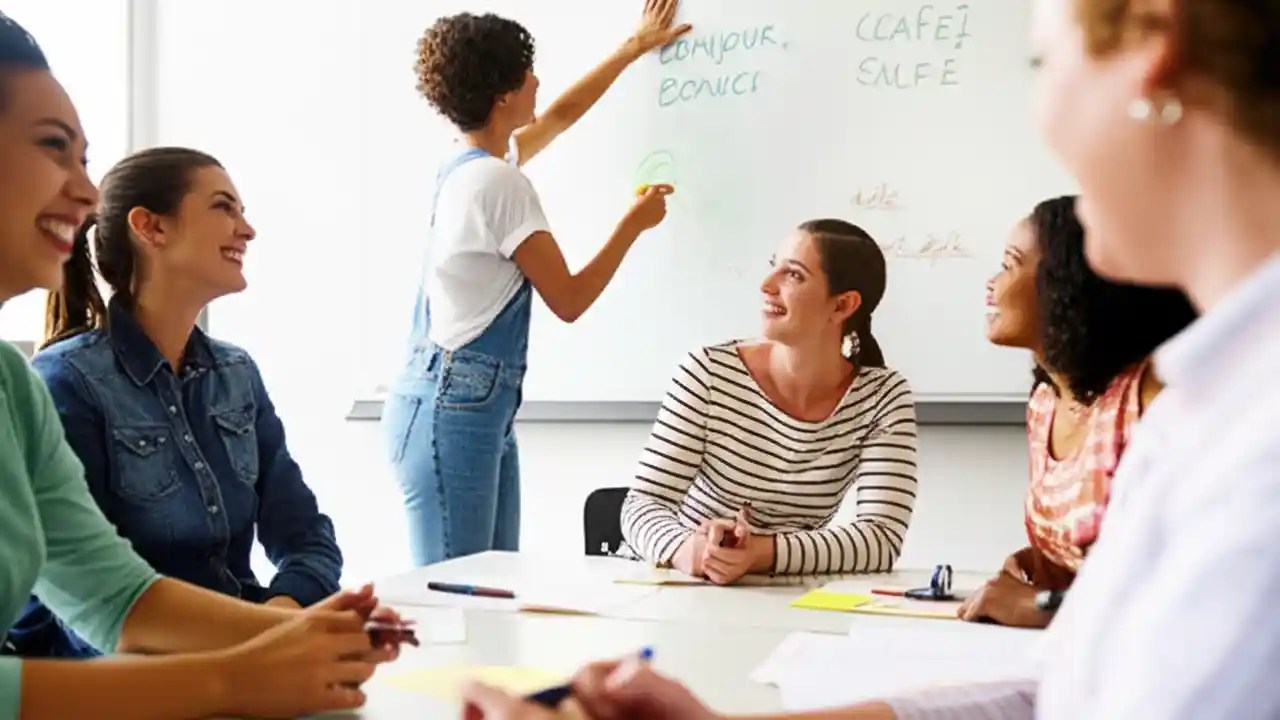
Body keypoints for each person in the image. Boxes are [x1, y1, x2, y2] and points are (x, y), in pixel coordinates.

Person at [460, 0, 1280, 717]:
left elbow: (890, 545)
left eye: (1043, 64)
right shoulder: (1202, 404)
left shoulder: (1235, 433)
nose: (1040, 121)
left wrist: (767, 554)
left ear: (1154, 54)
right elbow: (1065, 690)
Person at [0, 13, 403, 719]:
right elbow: (69, 629)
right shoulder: (61, 380)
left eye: (86, 161)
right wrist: (239, 675)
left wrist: (307, 635)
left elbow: (118, 597)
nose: (87, 194)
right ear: (151, 228)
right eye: (54, 148)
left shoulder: (13, 385)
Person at [6, 146, 345, 659]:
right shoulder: (66, 382)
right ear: (151, 227)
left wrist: (280, 615)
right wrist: (258, 643)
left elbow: (308, 536)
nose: (248, 230)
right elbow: (75, 608)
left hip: (240, 647)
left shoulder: (236, 373)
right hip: (116, 672)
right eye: (223, 207)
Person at [384, 0, 690, 566]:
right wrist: (633, 225)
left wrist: (633, 47)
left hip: (462, 401)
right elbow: (569, 299)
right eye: (527, 72)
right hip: (457, 407)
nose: (538, 82)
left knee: (492, 586)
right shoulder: (498, 184)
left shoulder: (470, 164)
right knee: (457, 595)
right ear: (503, 94)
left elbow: (561, 115)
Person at [619, 219, 918, 583]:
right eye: (773, 265)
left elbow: (880, 540)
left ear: (842, 305)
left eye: (793, 275)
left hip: (784, 595)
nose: (766, 285)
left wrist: (758, 552)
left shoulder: (883, 397)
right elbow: (641, 506)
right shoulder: (710, 371)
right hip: (683, 585)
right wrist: (688, 551)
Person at [958, 195, 1195, 628]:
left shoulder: (1155, 400)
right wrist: (1046, 564)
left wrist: (1041, 605)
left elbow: (1195, 588)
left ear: (1067, 284)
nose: (992, 283)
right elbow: (1092, 566)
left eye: (1009, 264)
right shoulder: (1045, 405)